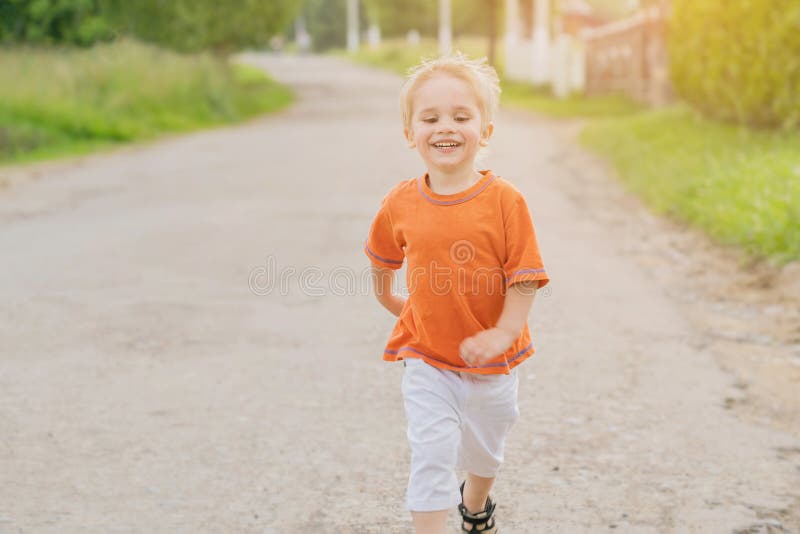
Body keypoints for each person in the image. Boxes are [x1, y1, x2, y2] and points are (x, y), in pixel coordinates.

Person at [363, 52, 550, 534]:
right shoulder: (400, 201)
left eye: (461, 117)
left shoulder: (505, 201)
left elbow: (524, 275)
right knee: (432, 451)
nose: (445, 127)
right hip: (427, 356)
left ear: (485, 130)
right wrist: (391, 301)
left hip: (493, 361)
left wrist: (504, 331)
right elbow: (382, 257)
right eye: (430, 118)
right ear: (410, 133)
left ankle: (476, 501)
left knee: (486, 447)